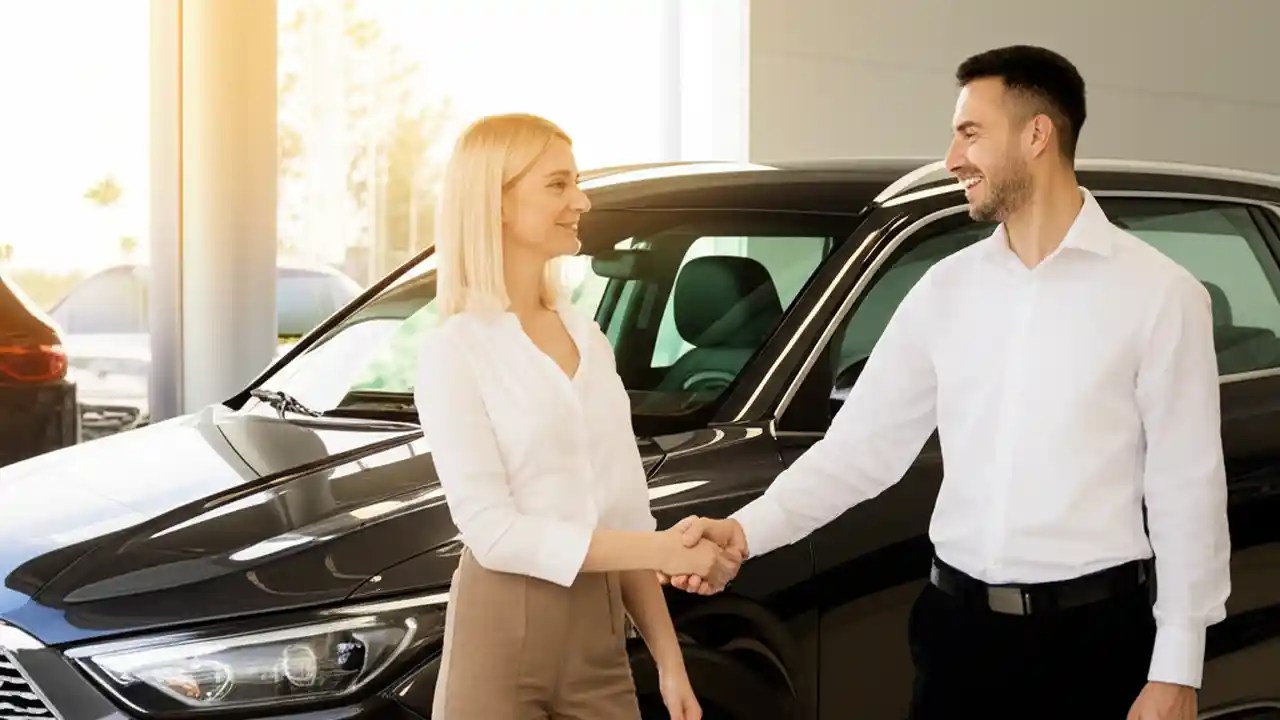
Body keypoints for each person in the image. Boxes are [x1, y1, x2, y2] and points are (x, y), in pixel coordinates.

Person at [669, 45, 1231, 719]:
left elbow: (1186, 490)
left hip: (1093, 645)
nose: (952, 158)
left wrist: (1176, 669)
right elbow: (860, 450)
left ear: (1036, 135)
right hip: (956, 638)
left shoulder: (1159, 295)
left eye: (970, 133)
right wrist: (744, 532)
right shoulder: (946, 291)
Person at [414, 113, 738, 720]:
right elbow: (492, 531)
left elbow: (626, 514)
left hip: (598, 633)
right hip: (501, 631)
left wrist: (669, 662)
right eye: (557, 184)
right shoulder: (455, 351)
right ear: (497, 201)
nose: (581, 201)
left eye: (577, 183)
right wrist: (665, 551)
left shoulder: (587, 338)